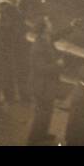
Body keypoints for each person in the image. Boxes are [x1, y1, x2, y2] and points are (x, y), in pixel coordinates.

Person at [26, 17, 69, 145]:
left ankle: (42, 134)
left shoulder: (46, 40)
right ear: (44, 28)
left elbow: (57, 35)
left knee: (47, 110)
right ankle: (33, 138)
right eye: (48, 22)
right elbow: (40, 68)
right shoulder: (38, 46)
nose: (51, 23)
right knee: (42, 112)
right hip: (41, 85)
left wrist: (71, 26)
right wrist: (58, 65)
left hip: (46, 85)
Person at [0, 0, 28, 103]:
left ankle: (11, 95)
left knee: (9, 71)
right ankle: (10, 96)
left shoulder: (6, 12)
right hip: (8, 45)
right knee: (8, 71)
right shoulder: (7, 11)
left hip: (9, 45)